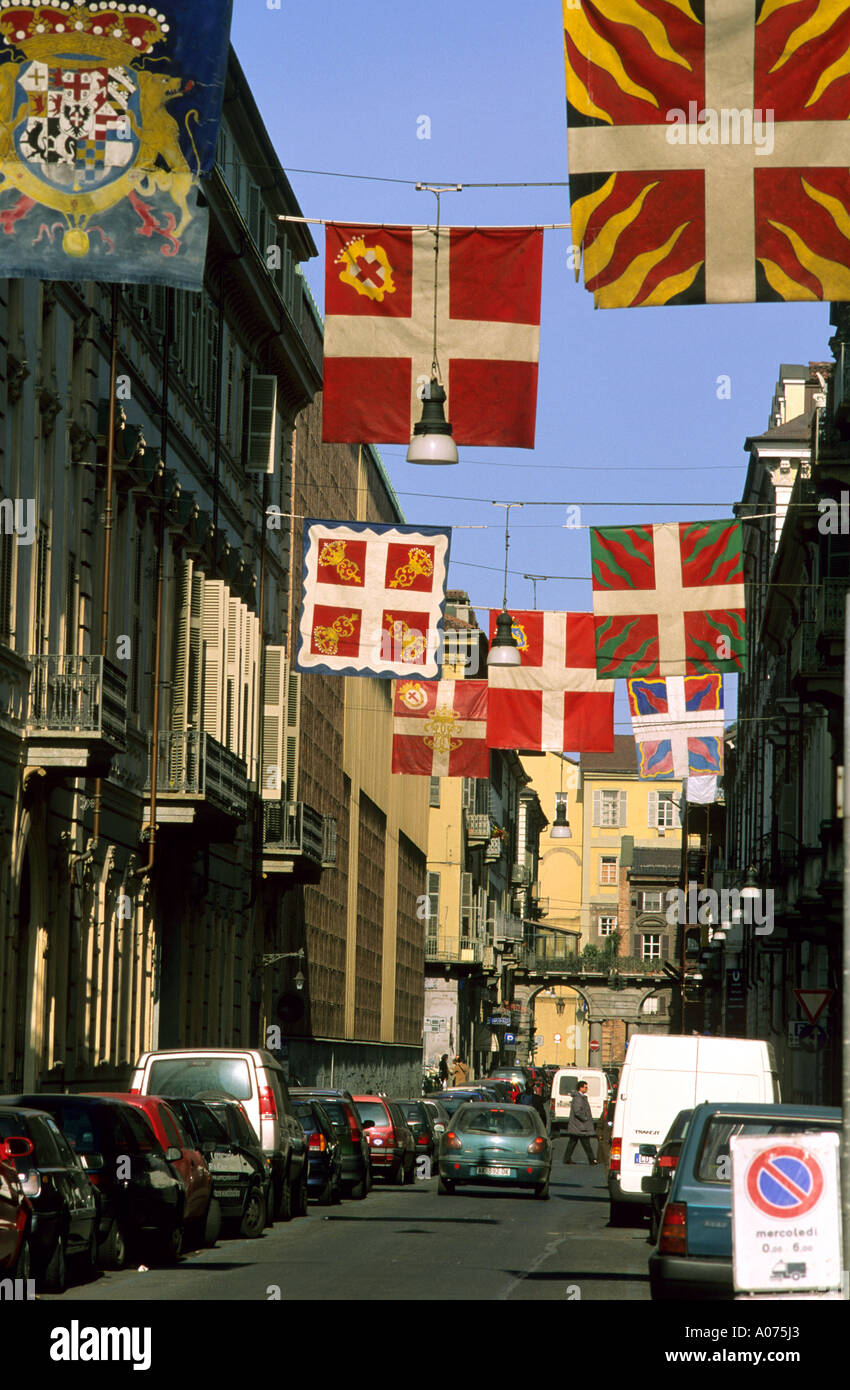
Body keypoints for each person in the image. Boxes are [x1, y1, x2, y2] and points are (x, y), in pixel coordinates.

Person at [563, 1081, 597, 1164]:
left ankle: (566, 1159)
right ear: (580, 1088)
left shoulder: (580, 1097)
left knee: (572, 1143)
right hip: (580, 1125)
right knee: (586, 1144)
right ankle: (592, 1160)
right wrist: (585, 1118)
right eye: (585, 1087)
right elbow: (577, 1111)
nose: (586, 1089)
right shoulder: (578, 1098)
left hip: (578, 1125)